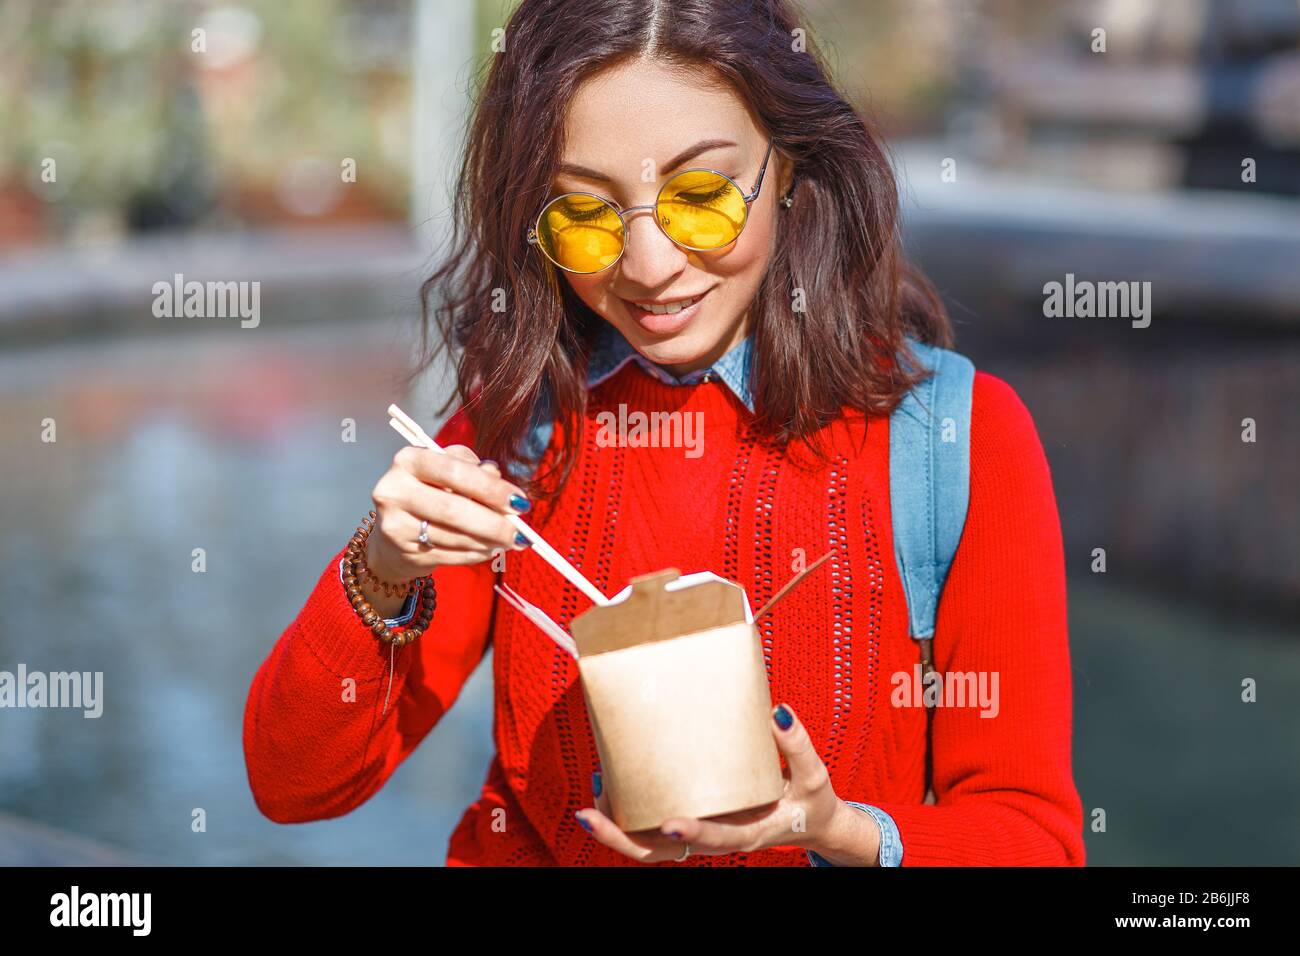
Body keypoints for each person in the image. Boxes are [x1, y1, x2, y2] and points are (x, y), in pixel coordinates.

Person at [242, 0, 1085, 867]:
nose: (648, 266)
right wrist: (380, 573)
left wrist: (836, 830)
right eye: (584, 214)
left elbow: (1035, 840)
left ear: (789, 163)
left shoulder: (955, 441)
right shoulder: (521, 430)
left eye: (700, 197)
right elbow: (293, 783)